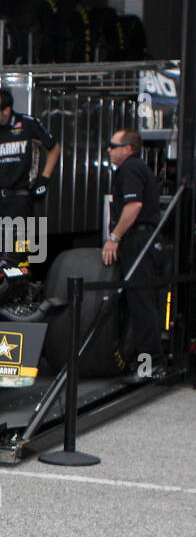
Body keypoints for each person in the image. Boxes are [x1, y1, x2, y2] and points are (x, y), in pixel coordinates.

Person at [103, 128, 165, 377]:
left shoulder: (129, 169)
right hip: (143, 239)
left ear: (128, 148)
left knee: (141, 303)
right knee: (138, 302)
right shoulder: (136, 168)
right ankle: (140, 362)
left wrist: (114, 237)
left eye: (113, 145)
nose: (109, 149)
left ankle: (150, 366)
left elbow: (134, 205)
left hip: (138, 239)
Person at [0, 87, 60, 220]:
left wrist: (44, 180)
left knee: (18, 240)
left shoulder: (27, 124)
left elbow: (54, 148)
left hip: (19, 196)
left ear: (6, 110)